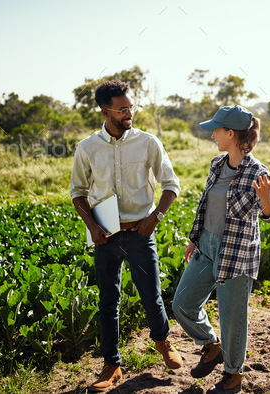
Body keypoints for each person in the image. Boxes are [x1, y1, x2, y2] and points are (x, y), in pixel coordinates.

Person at [70, 80, 183, 392]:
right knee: (108, 301)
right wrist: (92, 228)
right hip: (105, 237)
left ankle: (163, 343)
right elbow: (78, 193)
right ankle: (112, 364)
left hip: (139, 233)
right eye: (123, 109)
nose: (129, 112)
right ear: (106, 112)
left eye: (131, 107)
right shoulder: (87, 147)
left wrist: (155, 217)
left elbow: (171, 185)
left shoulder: (148, 142)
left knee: (151, 295)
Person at [172, 105, 270, 394]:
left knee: (232, 319)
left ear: (231, 133)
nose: (212, 136)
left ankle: (233, 375)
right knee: (182, 304)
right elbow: (206, 205)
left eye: (216, 130)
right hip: (206, 245)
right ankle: (211, 345)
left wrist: (268, 200)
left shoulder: (258, 172)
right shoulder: (217, 164)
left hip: (236, 253)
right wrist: (195, 238)